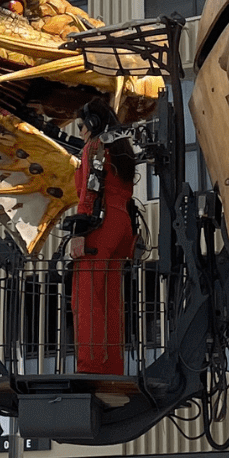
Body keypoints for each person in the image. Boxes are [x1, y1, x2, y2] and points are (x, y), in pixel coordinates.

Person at [65, 103, 138, 382]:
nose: (80, 131)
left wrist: (80, 231)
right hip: (122, 225)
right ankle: (112, 365)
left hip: (101, 222)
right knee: (110, 299)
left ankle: (91, 366)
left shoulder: (95, 147)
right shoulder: (123, 151)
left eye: (82, 125)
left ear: (94, 123)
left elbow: (90, 189)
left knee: (87, 297)